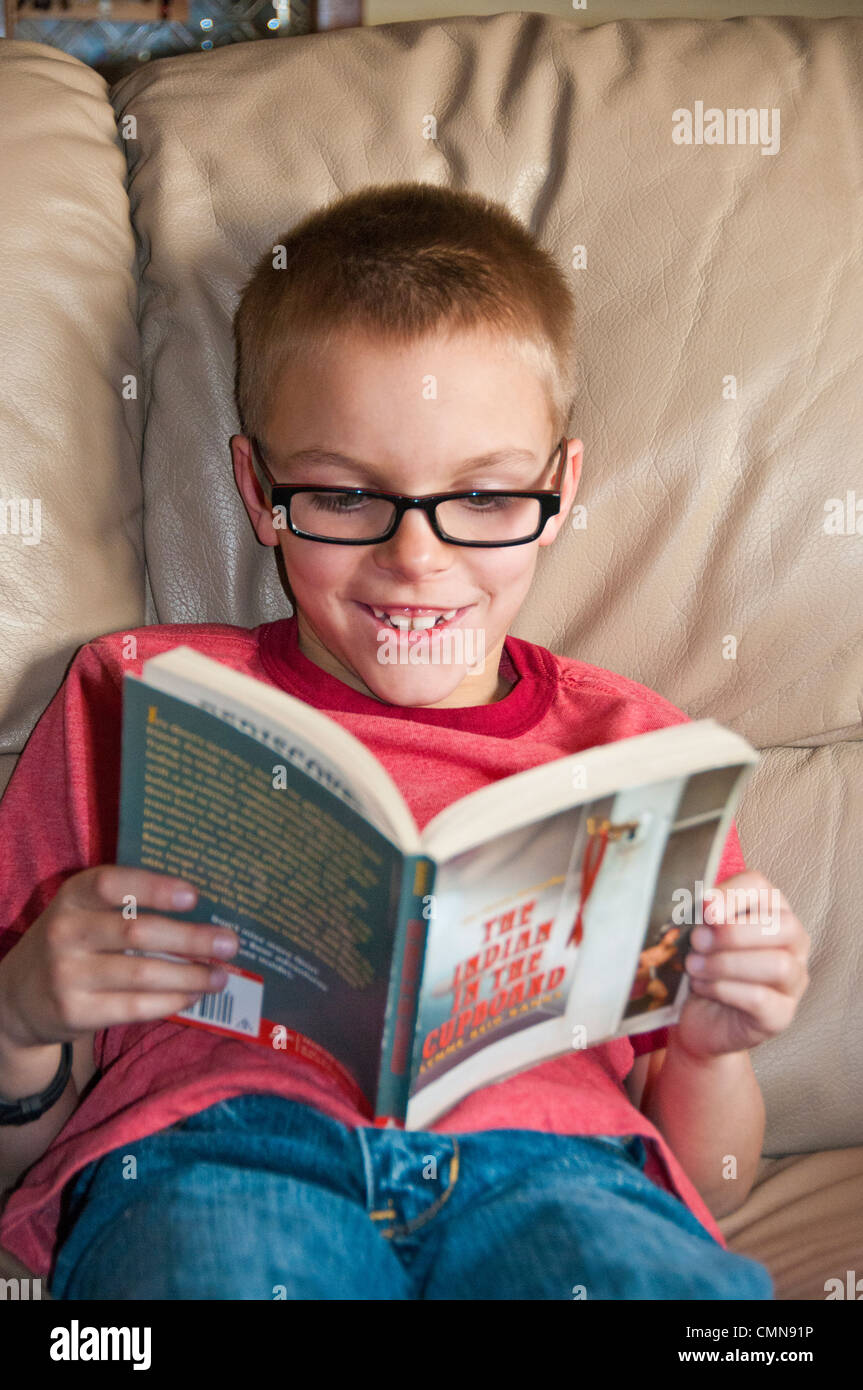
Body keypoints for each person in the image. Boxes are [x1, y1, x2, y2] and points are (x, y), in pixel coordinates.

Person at [0, 182, 809, 1300]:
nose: (416, 559)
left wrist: (715, 1047)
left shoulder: (636, 752)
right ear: (258, 491)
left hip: (557, 1167)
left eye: (480, 496)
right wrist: (20, 1012)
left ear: (556, 490)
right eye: (341, 497)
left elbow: (706, 1193)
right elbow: (19, 1166)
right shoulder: (134, 695)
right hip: (220, 1152)